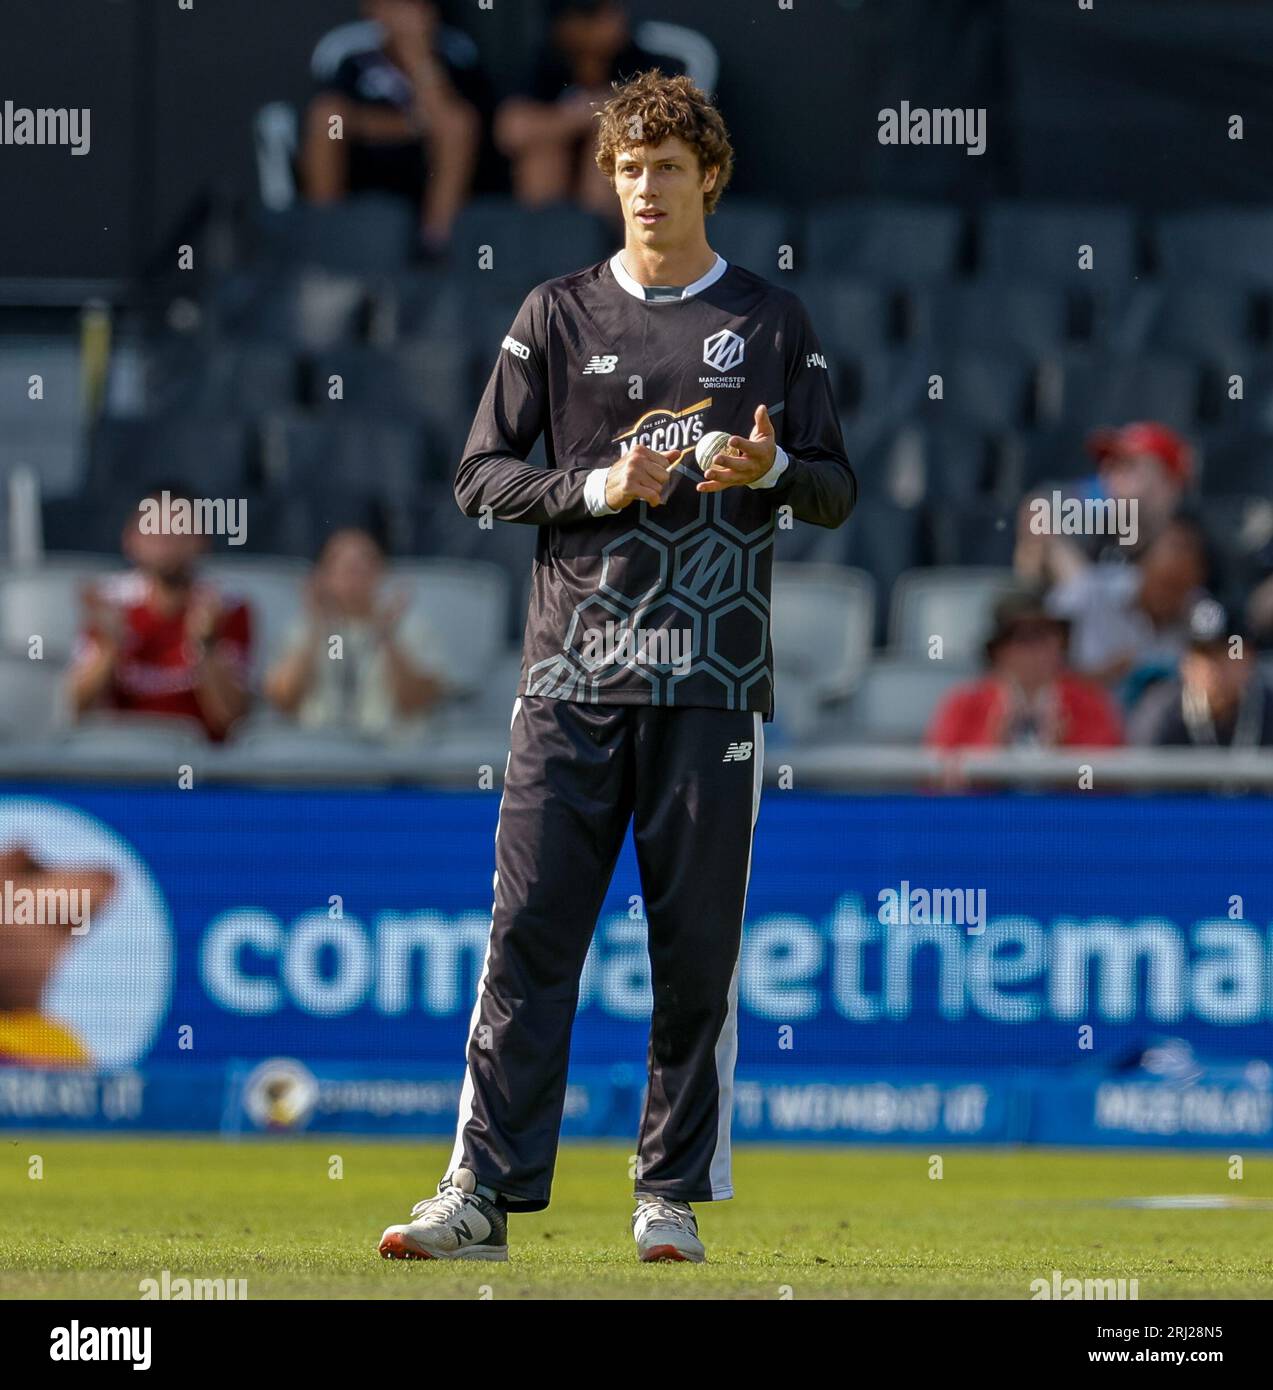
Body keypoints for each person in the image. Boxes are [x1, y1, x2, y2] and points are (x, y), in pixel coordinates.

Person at [378, 69, 854, 1264]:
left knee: (696, 951)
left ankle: (668, 1194)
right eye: (629, 168)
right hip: (569, 678)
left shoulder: (772, 320)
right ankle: (478, 1194)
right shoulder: (553, 313)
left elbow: (836, 490)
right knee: (528, 935)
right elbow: (480, 476)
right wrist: (592, 485)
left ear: (710, 178)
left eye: (669, 168)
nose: (647, 188)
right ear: (610, 179)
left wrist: (773, 474)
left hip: (711, 682)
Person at [66, 487, 251, 742]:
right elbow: (77, 710)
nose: (166, 538)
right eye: (154, 525)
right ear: (130, 539)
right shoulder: (109, 602)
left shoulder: (227, 606)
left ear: (203, 540)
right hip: (121, 757)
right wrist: (109, 645)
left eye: (180, 526)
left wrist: (207, 645)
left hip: (204, 764)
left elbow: (230, 720)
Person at [301, 0, 484, 252]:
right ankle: (325, 236)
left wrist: (420, 59)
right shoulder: (354, 58)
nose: (412, 15)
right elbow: (336, 116)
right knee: (327, 116)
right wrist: (413, 124)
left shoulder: (454, 57)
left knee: (458, 124)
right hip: (364, 166)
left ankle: (435, 247)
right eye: (398, 6)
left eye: (419, 6)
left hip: (424, 174)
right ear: (376, 12)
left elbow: (453, 122)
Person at [494, 0, 684, 216]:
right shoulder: (548, 62)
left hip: (625, 197)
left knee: (606, 150)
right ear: (569, 26)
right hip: (554, 182)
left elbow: (654, 127)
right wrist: (581, 116)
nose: (615, 20)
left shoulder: (637, 61)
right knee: (542, 156)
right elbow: (510, 132)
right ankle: (545, 238)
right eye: (597, 15)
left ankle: (600, 239)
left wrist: (596, 118)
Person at [264, 527, 446, 738]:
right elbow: (282, 699)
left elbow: (417, 701)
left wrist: (387, 636)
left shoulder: (410, 627)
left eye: (364, 562)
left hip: (392, 756)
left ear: (381, 571)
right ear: (323, 576)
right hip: (318, 754)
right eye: (342, 564)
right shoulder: (304, 627)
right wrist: (316, 629)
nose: (354, 572)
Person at [1044, 513, 1212, 704]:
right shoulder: (1085, 594)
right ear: (1142, 563)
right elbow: (1034, 674)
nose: (1168, 596)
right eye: (1164, 583)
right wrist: (1100, 676)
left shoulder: (1199, 615)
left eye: (1179, 588)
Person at [926, 591, 1122, 750]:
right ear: (999, 651)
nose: (1039, 650)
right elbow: (935, 783)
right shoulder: (964, 704)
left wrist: (1064, 754)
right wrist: (993, 748)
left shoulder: (1089, 702)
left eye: (1047, 636)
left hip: (1062, 800)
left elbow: (1115, 782)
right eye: (1024, 638)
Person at [1015, 421, 1194, 585]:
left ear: (1167, 482)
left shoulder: (1186, 549)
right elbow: (1040, 503)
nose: (1109, 473)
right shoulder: (1104, 527)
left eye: (1126, 464)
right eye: (1107, 463)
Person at [1129, 596, 1273, 747]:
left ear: (1248, 657)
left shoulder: (1266, 706)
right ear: (1186, 663)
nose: (1214, 667)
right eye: (1204, 655)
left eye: (1225, 653)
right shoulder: (1162, 713)